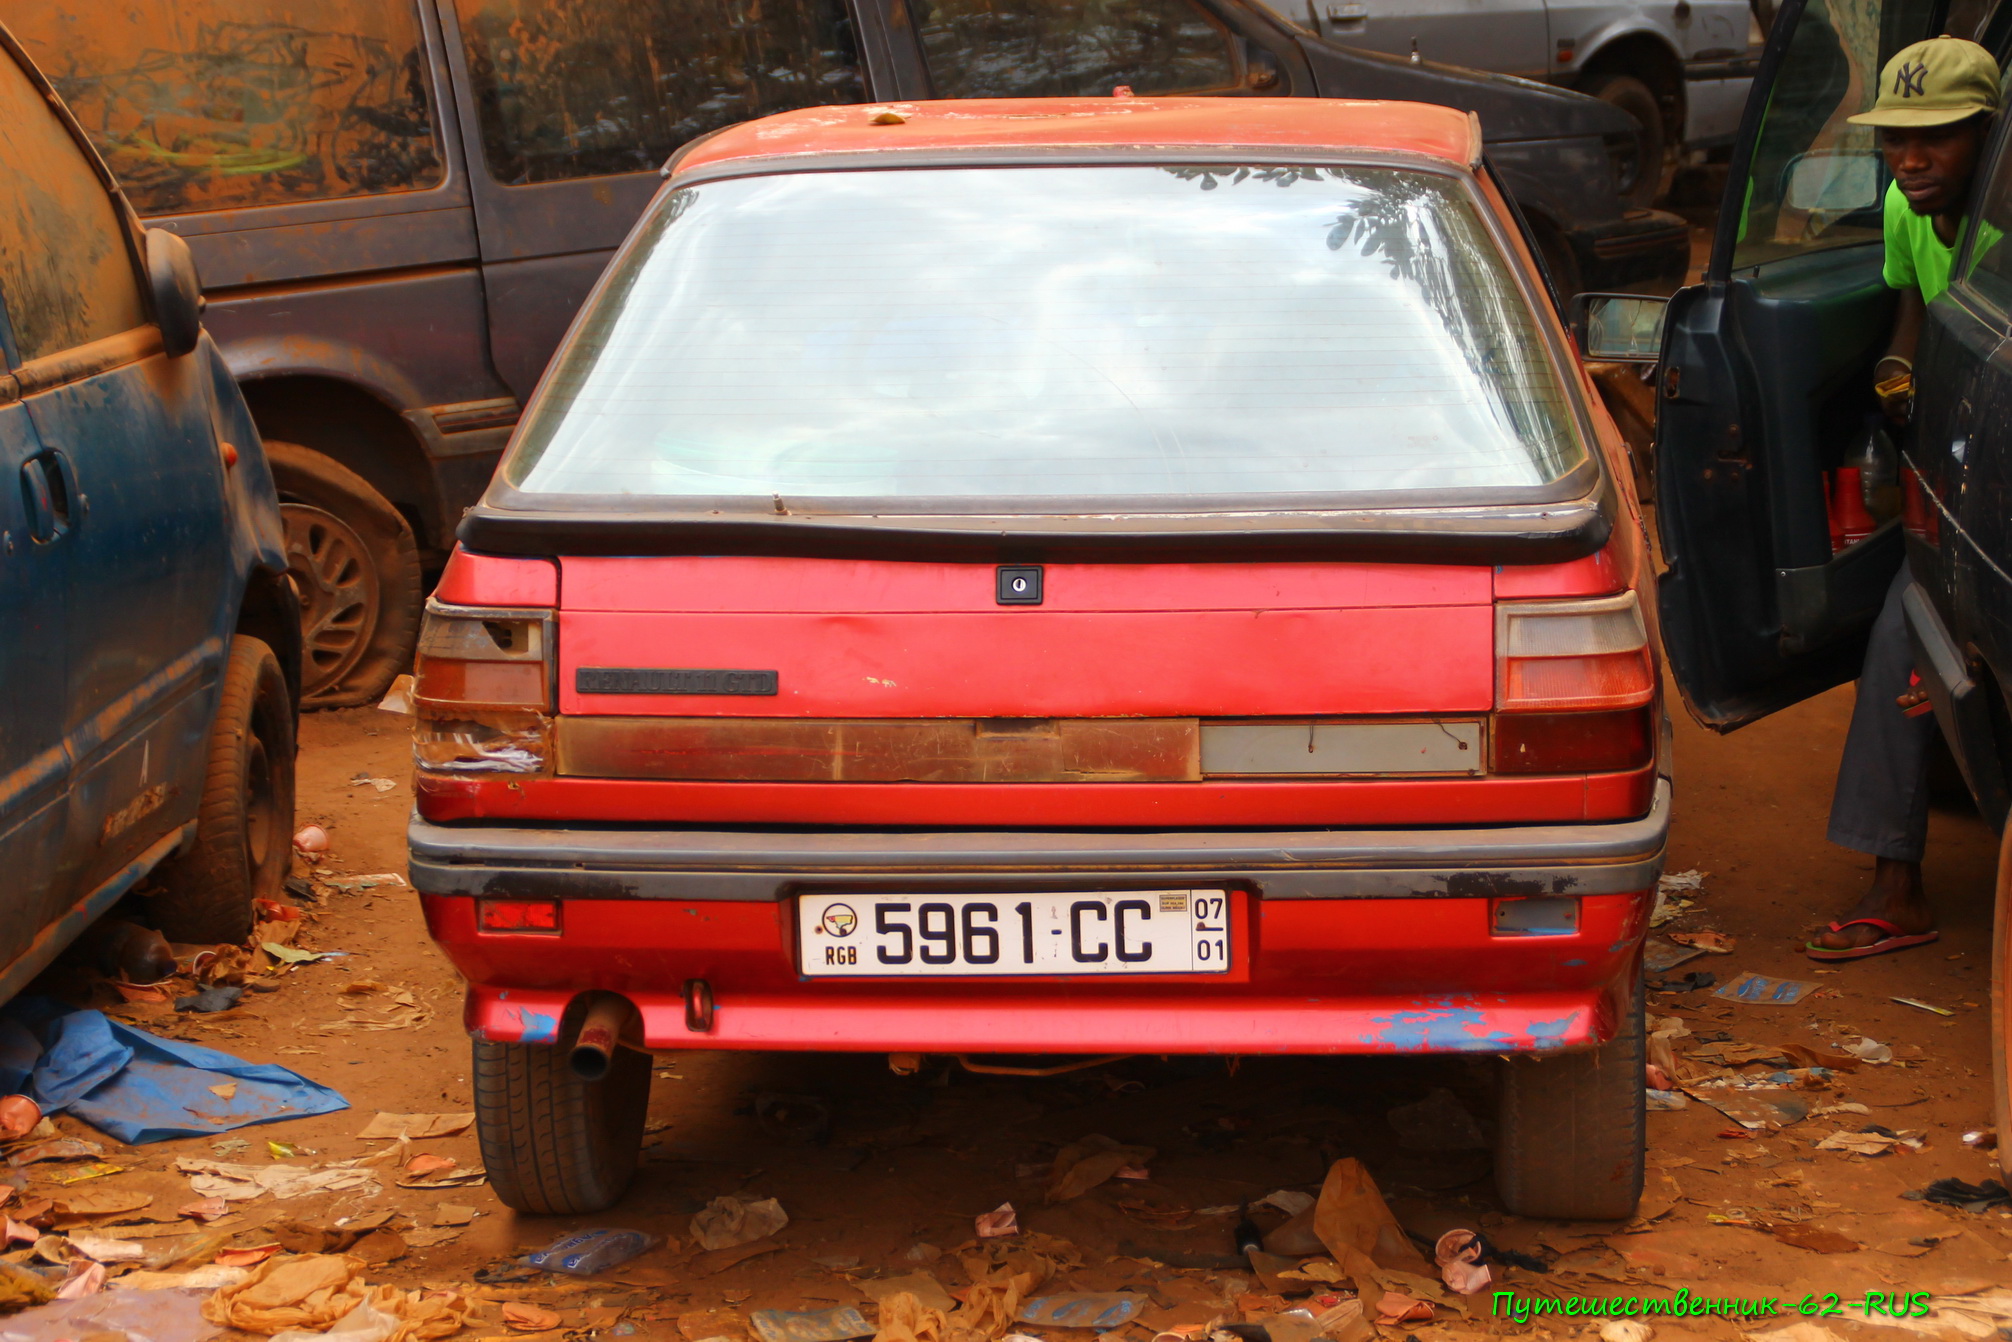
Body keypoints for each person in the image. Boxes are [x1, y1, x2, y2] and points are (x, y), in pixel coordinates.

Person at [1807, 35, 2001, 961]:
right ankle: (1897, 885)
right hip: (1958, 468)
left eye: (1938, 139)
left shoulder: (2004, 234)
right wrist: (1897, 369)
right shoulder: (1902, 206)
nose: (1910, 160)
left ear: (1992, 138)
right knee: (1900, 630)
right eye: (1895, 139)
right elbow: (1914, 308)